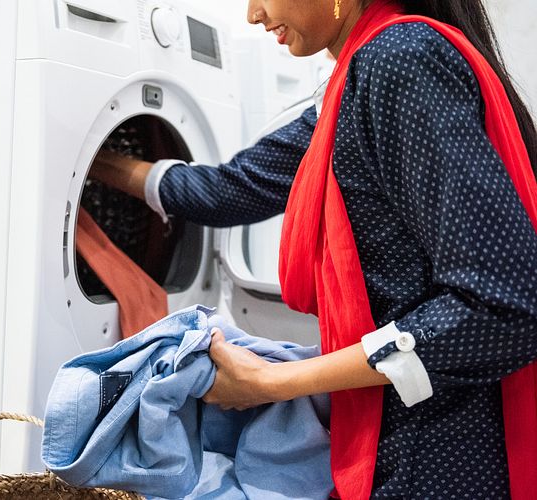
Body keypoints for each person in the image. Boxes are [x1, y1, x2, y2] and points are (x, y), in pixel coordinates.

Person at [89, 0, 537, 498]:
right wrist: (91, 159)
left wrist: (271, 383)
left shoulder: (399, 60)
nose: (252, 15)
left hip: (448, 450)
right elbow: (223, 191)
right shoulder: (349, 88)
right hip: (399, 425)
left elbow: (503, 306)